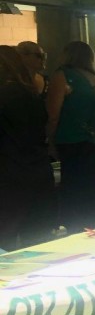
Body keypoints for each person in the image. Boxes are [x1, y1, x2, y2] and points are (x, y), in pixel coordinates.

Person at [48, 41, 95, 230]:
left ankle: (77, 229)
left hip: (73, 142)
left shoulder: (63, 76)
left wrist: (49, 140)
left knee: (76, 193)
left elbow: (53, 114)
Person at [0, 45, 55, 248]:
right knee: (37, 240)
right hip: (37, 170)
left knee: (6, 238)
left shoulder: (5, 95)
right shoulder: (30, 94)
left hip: (9, 174)